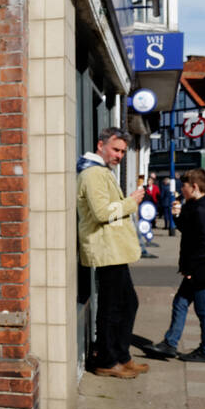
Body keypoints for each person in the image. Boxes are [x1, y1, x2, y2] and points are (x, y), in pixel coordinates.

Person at [77, 128, 148, 379]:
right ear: (101, 145)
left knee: (127, 303)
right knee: (112, 306)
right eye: (115, 149)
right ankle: (107, 359)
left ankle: (121, 356)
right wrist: (131, 203)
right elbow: (101, 213)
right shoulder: (93, 173)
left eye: (122, 152)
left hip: (113, 250)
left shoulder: (102, 172)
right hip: (106, 250)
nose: (119, 155)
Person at [142, 168, 205, 363]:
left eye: (183, 186)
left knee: (203, 310)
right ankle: (170, 343)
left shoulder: (203, 210)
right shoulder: (193, 205)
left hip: (203, 269)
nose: (181, 189)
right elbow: (187, 230)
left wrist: (192, 269)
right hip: (199, 268)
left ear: (194, 187)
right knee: (181, 303)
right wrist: (176, 216)